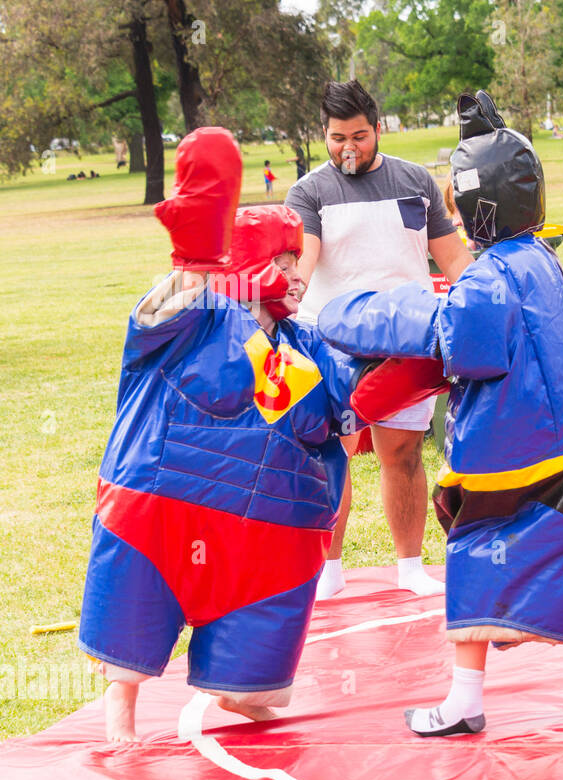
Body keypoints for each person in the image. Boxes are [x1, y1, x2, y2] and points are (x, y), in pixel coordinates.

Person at [317, 91, 563, 737]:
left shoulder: (488, 278)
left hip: (517, 451)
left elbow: (467, 347)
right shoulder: (543, 261)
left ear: (476, 206)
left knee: (475, 549)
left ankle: (463, 700)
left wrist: (364, 316)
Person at [78, 128, 364, 742]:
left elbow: (339, 413)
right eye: (283, 264)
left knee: (257, 652)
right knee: (133, 630)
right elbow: (162, 308)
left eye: (297, 264)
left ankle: (245, 689)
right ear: (246, 263)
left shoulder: (305, 340)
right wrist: (193, 259)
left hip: (264, 526)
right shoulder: (195, 318)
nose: (296, 276)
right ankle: (120, 720)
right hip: (166, 499)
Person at [285, 80, 472, 600]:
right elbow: (304, 255)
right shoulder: (309, 191)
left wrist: (485, 293)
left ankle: (410, 567)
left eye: (359, 136)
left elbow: (452, 257)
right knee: (330, 455)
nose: (348, 146)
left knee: (405, 454)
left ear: (378, 129)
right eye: (337, 136)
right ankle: (329, 571)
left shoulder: (416, 180)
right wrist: (289, 292)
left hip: (406, 341)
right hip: (332, 344)